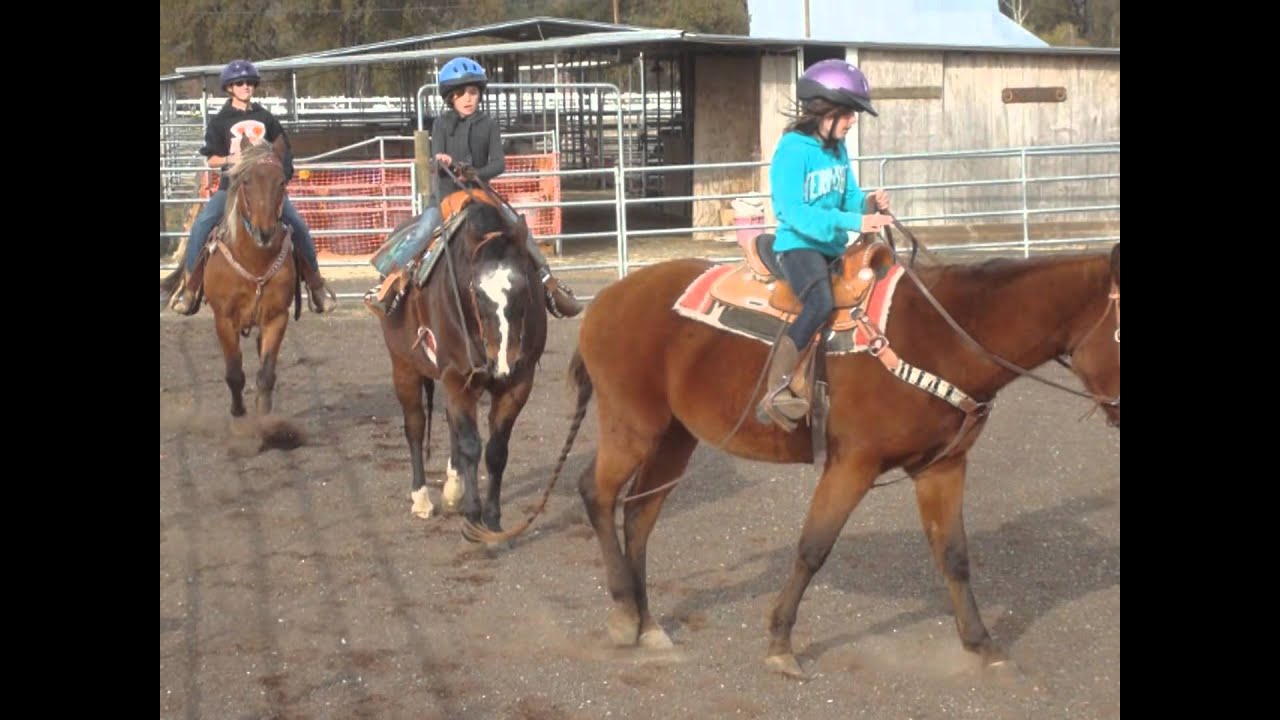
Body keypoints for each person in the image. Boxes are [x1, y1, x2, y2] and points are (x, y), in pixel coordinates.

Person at [364, 56, 582, 318]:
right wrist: (442, 162)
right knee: (422, 233)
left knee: (517, 226)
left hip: (481, 195)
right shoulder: (441, 125)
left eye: (473, 92)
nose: (468, 99)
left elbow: (498, 163)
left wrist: (475, 172)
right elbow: (435, 161)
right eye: (461, 94)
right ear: (450, 98)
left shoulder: (489, 125)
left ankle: (549, 285)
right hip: (445, 197)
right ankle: (386, 285)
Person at [756, 59, 894, 429]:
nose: (854, 121)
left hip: (831, 247)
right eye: (849, 112)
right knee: (819, 302)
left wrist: (868, 205)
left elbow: (847, 195)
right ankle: (776, 389)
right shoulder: (792, 150)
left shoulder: (837, 148)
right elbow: (793, 213)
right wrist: (855, 221)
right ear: (825, 109)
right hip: (798, 245)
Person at [170, 59, 337, 315]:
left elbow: (285, 151)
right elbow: (211, 158)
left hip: (267, 191)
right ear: (229, 88)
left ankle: (316, 286)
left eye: (249, 82)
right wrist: (231, 160)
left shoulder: (266, 118)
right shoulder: (219, 121)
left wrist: (282, 177)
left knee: (298, 225)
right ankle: (190, 288)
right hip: (232, 189)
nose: (246, 86)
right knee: (203, 224)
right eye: (239, 83)